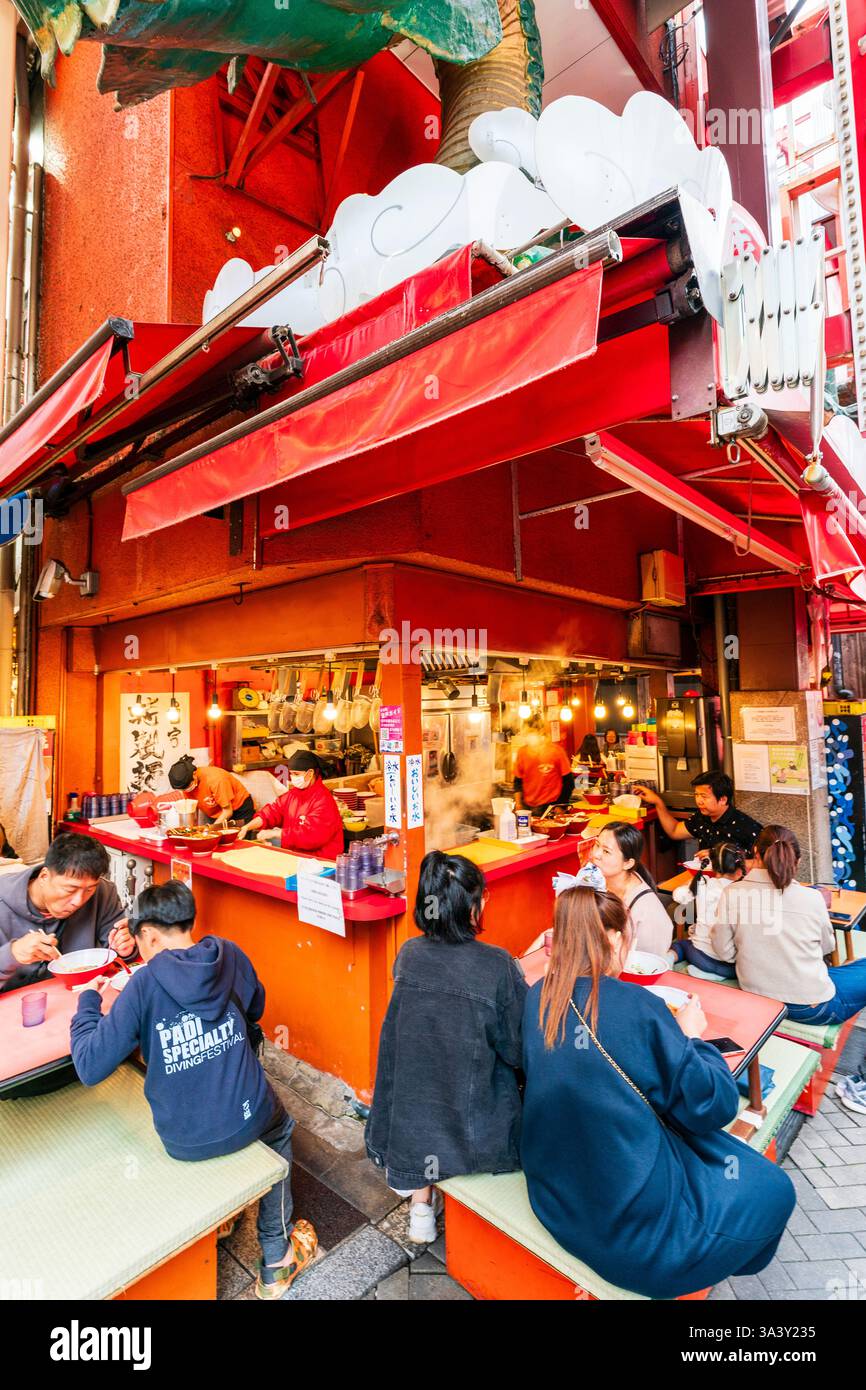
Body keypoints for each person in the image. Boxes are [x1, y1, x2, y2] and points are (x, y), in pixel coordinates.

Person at [520, 882, 795, 1299]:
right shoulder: (638, 1005)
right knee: (773, 1188)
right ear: (613, 938)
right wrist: (693, 1038)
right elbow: (711, 1107)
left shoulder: (539, 995)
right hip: (632, 1223)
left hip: (558, 1193)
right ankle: (725, 1259)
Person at [69, 880, 317, 1300]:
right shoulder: (228, 954)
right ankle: (275, 1257)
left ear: (147, 935)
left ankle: (228, 1223)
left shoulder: (142, 987)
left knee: (264, 1125)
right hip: (248, 1113)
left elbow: (90, 1066)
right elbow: (256, 1007)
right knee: (279, 1127)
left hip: (182, 1138)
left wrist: (88, 1006)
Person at [365, 851, 527, 1243]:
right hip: (473, 1124)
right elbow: (518, 1049)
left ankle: (421, 1206)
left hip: (414, 1118)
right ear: (473, 905)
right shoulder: (497, 965)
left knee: (428, 1076)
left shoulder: (409, 954)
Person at [712, 825, 866, 1031]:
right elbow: (826, 947)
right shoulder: (812, 898)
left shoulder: (732, 893)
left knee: (850, 969)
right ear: (798, 860)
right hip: (811, 1007)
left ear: (756, 853)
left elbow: (723, 951)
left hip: (756, 994)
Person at [0, 832, 136, 994]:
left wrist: (126, 947)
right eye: (70, 889)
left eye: (89, 890)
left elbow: (118, 955)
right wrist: (12, 954)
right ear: (44, 876)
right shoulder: (3, 902)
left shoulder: (103, 892)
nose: (78, 901)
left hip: (83, 998)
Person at [238, 750, 344, 859]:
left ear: (310, 773)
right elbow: (272, 812)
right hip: (296, 857)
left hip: (321, 862)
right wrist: (247, 827)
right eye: (291, 773)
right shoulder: (292, 795)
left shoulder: (323, 801)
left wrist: (276, 833)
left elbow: (312, 836)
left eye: (296, 774)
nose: (293, 777)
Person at [634, 770, 763, 859]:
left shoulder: (745, 826)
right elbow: (674, 831)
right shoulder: (701, 818)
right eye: (696, 795)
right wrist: (658, 802)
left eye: (704, 796)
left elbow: (764, 863)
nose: (699, 801)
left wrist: (718, 855)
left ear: (723, 799)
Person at [591, 821, 673, 954]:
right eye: (597, 845)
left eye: (606, 851)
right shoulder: (598, 882)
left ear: (628, 863)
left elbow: (646, 963)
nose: (596, 854)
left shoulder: (646, 910)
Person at [667, 841, 746, 979]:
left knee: (681, 944)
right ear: (739, 870)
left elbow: (678, 896)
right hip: (730, 966)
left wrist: (690, 883)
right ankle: (717, 975)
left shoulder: (702, 882)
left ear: (713, 867)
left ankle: (669, 959)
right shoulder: (745, 892)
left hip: (698, 955)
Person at [168, 755, 256, 828]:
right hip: (218, 813)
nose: (186, 791)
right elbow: (193, 809)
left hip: (239, 810)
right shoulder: (184, 784)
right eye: (183, 790)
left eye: (187, 787)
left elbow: (228, 812)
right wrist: (193, 829)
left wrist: (210, 830)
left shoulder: (216, 780)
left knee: (237, 843)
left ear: (194, 774)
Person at [513, 714, 575, 815]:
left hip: (550, 807)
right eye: (526, 733)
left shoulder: (556, 751)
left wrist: (561, 805)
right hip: (527, 807)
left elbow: (569, 782)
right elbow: (517, 781)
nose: (527, 736)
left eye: (530, 732)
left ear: (540, 732)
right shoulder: (522, 752)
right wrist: (518, 804)